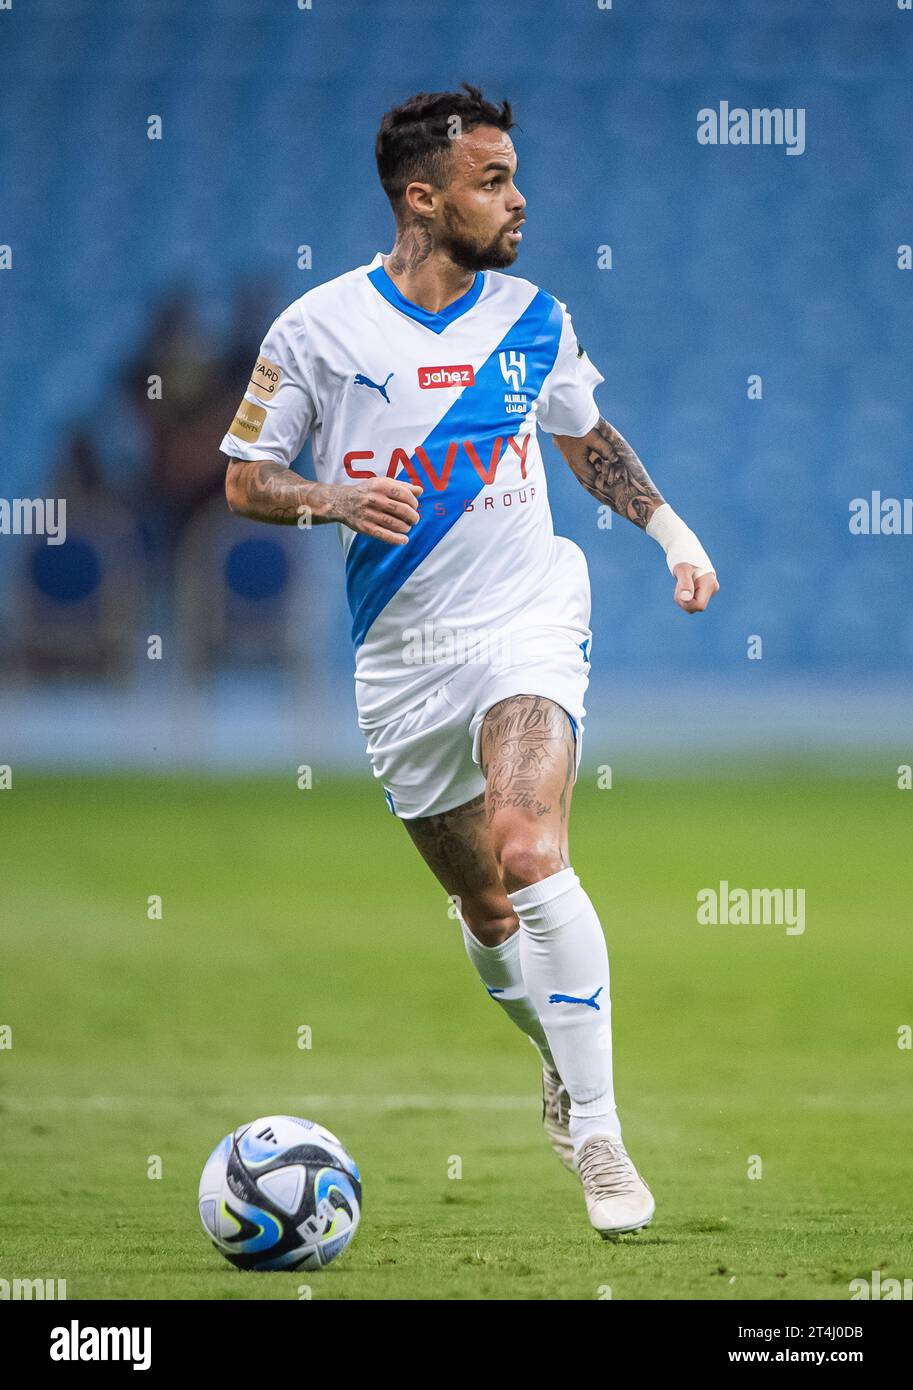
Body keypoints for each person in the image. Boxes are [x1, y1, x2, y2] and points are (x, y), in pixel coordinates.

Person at [220, 83, 719, 1237]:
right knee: (488, 910)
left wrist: (670, 532)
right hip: (402, 657)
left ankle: (597, 1135)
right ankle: (557, 1055)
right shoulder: (317, 329)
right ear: (422, 197)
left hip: (526, 617)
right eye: (493, 180)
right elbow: (245, 476)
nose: (517, 198)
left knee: (530, 845)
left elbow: (583, 435)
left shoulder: (533, 317)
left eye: (513, 175)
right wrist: (328, 495)